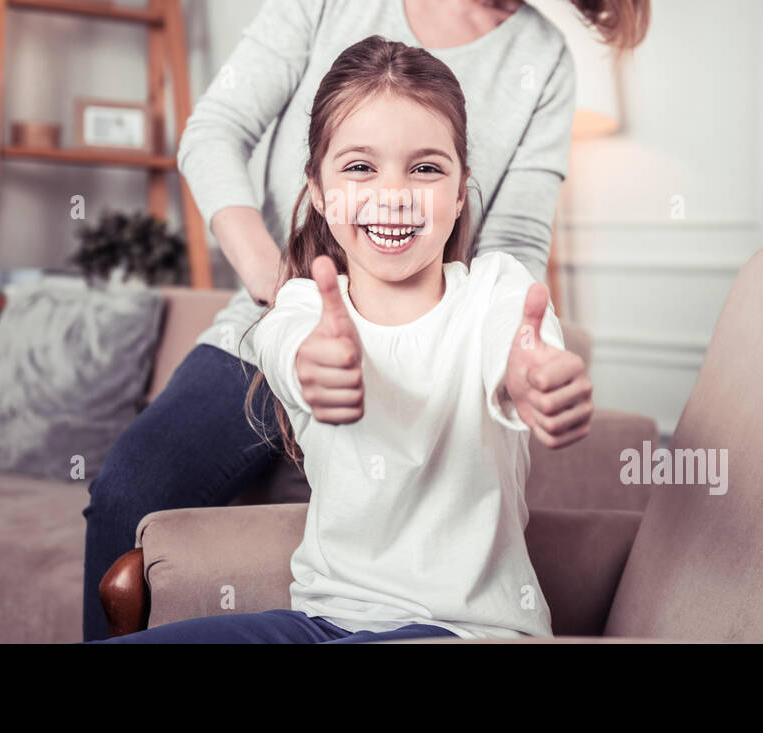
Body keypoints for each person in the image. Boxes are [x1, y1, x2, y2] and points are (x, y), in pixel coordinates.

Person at [81, 0, 657, 641]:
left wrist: (519, 352)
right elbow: (216, 130)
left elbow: (516, 241)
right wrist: (283, 293)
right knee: (129, 485)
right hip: (280, 309)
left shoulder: (542, 59)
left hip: (434, 345)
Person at [85, 36, 594, 643]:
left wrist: (535, 381)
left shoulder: (497, 292)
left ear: (460, 193)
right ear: (320, 193)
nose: (394, 193)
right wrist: (315, 366)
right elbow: (294, 352)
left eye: (426, 168)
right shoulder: (301, 306)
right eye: (359, 167)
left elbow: (520, 357)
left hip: (462, 630)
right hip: (323, 624)